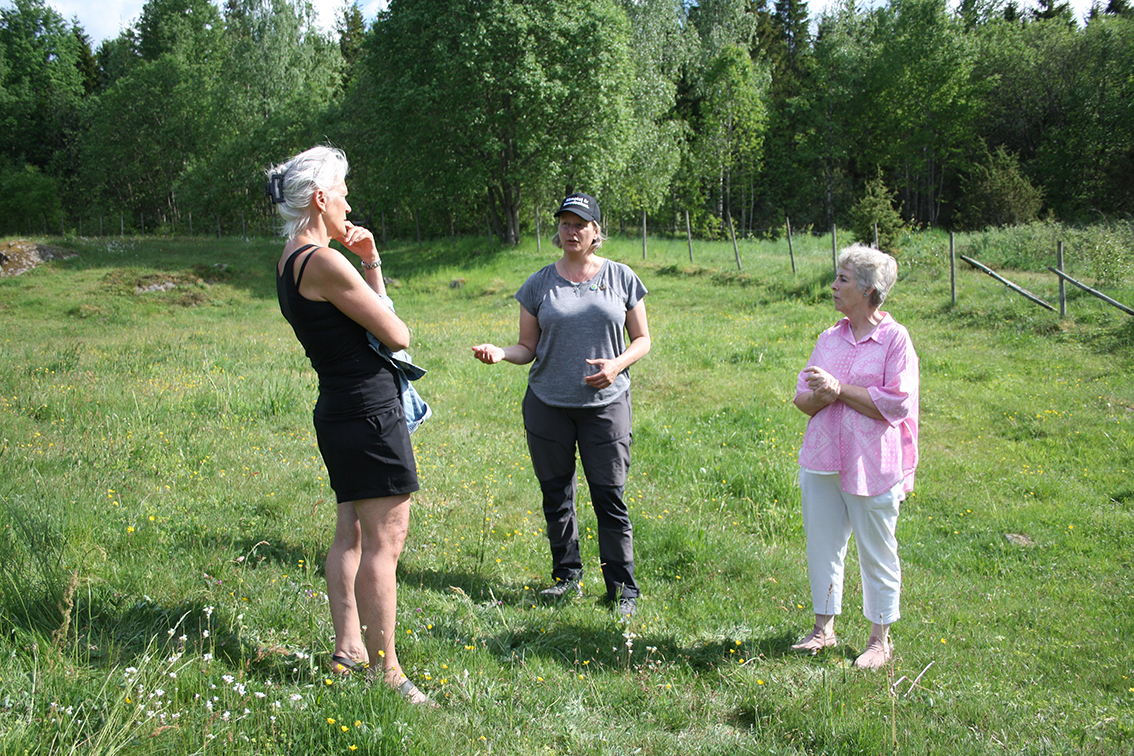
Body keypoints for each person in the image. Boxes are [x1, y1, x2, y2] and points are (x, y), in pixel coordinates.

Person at [267, 145, 430, 704]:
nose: (348, 204)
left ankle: (349, 651)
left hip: (338, 407)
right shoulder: (325, 262)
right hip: (369, 412)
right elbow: (396, 334)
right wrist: (370, 263)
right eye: (342, 193)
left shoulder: (290, 259)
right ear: (320, 198)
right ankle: (389, 674)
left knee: (350, 534)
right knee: (385, 542)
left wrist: (369, 258)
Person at [471, 193, 651, 618]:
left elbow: (643, 340)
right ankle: (567, 576)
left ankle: (622, 589)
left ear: (595, 231)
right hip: (548, 405)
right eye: (565, 223)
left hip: (606, 405)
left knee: (609, 495)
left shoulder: (622, 277)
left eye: (580, 224)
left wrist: (616, 365)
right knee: (556, 494)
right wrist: (501, 353)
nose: (572, 231)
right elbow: (527, 347)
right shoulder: (538, 284)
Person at [790, 243, 919, 669]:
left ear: (867, 290)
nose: (833, 285)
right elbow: (802, 399)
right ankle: (822, 629)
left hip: (873, 464)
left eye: (842, 279)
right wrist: (822, 395)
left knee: (877, 550)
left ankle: (880, 640)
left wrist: (839, 389)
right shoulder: (829, 338)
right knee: (823, 545)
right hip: (822, 457)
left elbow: (897, 403)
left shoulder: (894, 339)